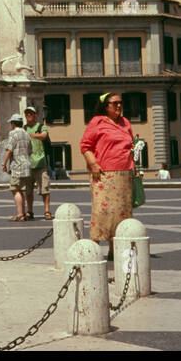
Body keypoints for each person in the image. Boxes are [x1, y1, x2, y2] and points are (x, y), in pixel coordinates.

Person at [80, 93, 136, 253]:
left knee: (122, 213)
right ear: (106, 106)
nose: (119, 105)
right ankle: (94, 248)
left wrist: (134, 160)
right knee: (102, 212)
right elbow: (85, 146)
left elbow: (132, 143)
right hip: (104, 173)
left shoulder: (125, 122)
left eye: (121, 102)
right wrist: (93, 164)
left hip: (124, 174)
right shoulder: (97, 122)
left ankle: (114, 248)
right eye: (115, 103)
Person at [2, 114, 34, 221]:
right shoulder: (26, 134)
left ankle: (20, 214)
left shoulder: (13, 133)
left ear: (13, 123)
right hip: (27, 165)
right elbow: (30, 151)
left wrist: (4, 163)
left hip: (17, 165)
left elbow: (9, 149)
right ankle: (23, 213)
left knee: (15, 189)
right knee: (22, 190)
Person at [24, 106, 53, 219]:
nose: (28, 115)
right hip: (28, 163)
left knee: (44, 189)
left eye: (30, 113)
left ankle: (47, 211)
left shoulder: (41, 126)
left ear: (35, 115)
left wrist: (32, 136)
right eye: (27, 114)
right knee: (28, 190)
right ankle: (30, 211)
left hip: (41, 162)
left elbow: (44, 135)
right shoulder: (24, 128)